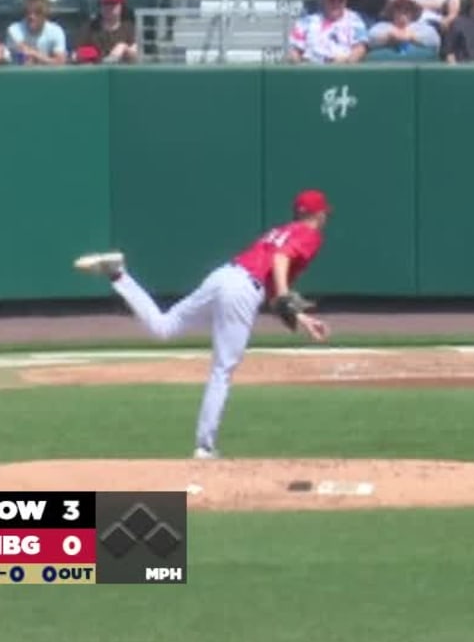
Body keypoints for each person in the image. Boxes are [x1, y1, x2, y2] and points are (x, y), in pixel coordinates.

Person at [72, 190, 335, 459]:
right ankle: (204, 447)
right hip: (242, 290)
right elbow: (281, 259)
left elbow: (273, 268)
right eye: (324, 211)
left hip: (224, 276)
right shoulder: (309, 233)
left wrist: (301, 317)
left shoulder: (283, 229)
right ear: (318, 213)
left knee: (165, 327)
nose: (326, 216)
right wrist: (283, 294)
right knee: (223, 369)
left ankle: (118, 274)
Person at [286, 0, 368, 64]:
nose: (336, 4)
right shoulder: (306, 22)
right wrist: (299, 68)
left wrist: (348, 62)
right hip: (311, 68)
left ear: (345, 2)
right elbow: (294, 50)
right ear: (324, 1)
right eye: (332, 0)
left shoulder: (354, 20)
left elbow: (360, 48)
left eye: (340, 0)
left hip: (341, 68)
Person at [75, 0, 139, 63]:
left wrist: (124, 48)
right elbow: (75, 55)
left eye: (113, 3)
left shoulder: (130, 29)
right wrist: (92, 54)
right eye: (105, 3)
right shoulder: (88, 28)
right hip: (95, 72)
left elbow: (137, 54)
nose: (108, 7)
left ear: (121, 5)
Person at [366, 0, 440, 58]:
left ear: (413, 12)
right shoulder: (382, 26)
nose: (402, 12)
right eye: (398, 8)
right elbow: (369, 39)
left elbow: (434, 40)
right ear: (392, 11)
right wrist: (389, 36)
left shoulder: (423, 27)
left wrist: (412, 37)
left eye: (407, 9)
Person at [6, 0, 69, 65]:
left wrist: (34, 53)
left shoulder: (56, 31)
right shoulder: (14, 29)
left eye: (37, 13)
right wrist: (49, 59)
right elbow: (25, 57)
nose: (31, 17)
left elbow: (60, 61)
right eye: (28, 13)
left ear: (45, 15)